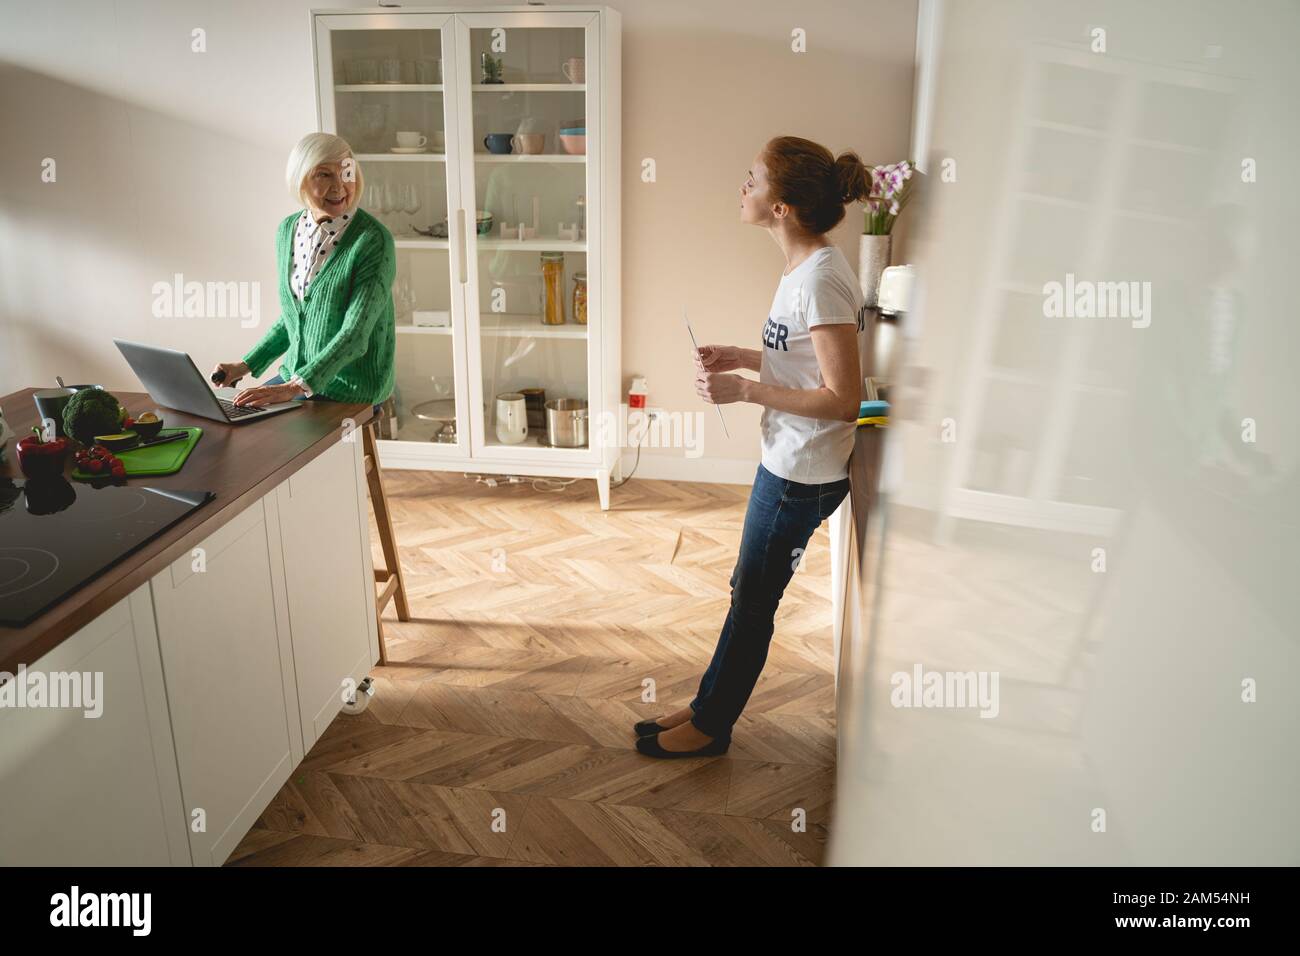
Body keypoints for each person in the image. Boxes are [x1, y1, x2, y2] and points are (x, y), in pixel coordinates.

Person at [636, 135, 871, 758]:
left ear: (782, 208)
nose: (743, 186)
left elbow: (842, 398)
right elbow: (803, 361)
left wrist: (742, 389)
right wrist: (745, 356)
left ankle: (711, 726)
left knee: (754, 600)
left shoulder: (819, 278)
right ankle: (706, 704)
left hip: (802, 471)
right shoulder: (805, 268)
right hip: (790, 461)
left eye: (753, 179)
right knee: (748, 589)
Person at [212, 132, 395, 415]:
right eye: (324, 175)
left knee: (269, 441)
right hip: (296, 378)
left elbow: (355, 334)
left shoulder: (372, 241)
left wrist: (291, 389)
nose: (340, 187)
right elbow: (296, 318)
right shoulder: (288, 231)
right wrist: (244, 365)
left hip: (349, 389)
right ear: (299, 180)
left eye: (346, 172)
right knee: (233, 422)